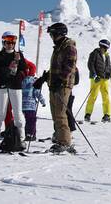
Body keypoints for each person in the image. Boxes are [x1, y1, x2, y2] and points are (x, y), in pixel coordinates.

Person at [0, 31, 27, 149]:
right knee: (1, 114)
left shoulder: (19, 54)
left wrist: (18, 72)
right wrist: (11, 67)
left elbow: (24, 70)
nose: (10, 45)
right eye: (7, 43)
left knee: (18, 113)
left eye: (12, 42)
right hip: (2, 86)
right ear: (3, 43)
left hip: (15, 85)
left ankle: (21, 139)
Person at [45, 22, 78, 153]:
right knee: (55, 113)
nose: (51, 36)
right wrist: (45, 77)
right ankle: (60, 138)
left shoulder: (69, 47)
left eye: (52, 33)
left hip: (63, 85)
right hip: (54, 84)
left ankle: (65, 142)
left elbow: (70, 66)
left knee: (60, 114)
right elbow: (56, 67)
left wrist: (60, 80)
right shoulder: (59, 47)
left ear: (58, 33)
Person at [84, 39, 111, 123]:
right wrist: (95, 75)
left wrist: (110, 73)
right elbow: (90, 65)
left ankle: (107, 115)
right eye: (104, 47)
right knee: (93, 96)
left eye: (106, 48)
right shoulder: (94, 54)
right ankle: (88, 114)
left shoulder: (107, 55)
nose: (105, 49)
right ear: (101, 46)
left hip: (104, 79)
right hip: (96, 78)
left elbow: (108, 66)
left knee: (106, 97)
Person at [22, 60, 46, 141]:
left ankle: (26, 134)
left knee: (25, 120)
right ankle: (31, 134)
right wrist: (42, 101)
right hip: (31, 106)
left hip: (22, 105)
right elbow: (37, 92)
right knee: (31, 121)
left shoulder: (21, 81)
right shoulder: (34, 81)